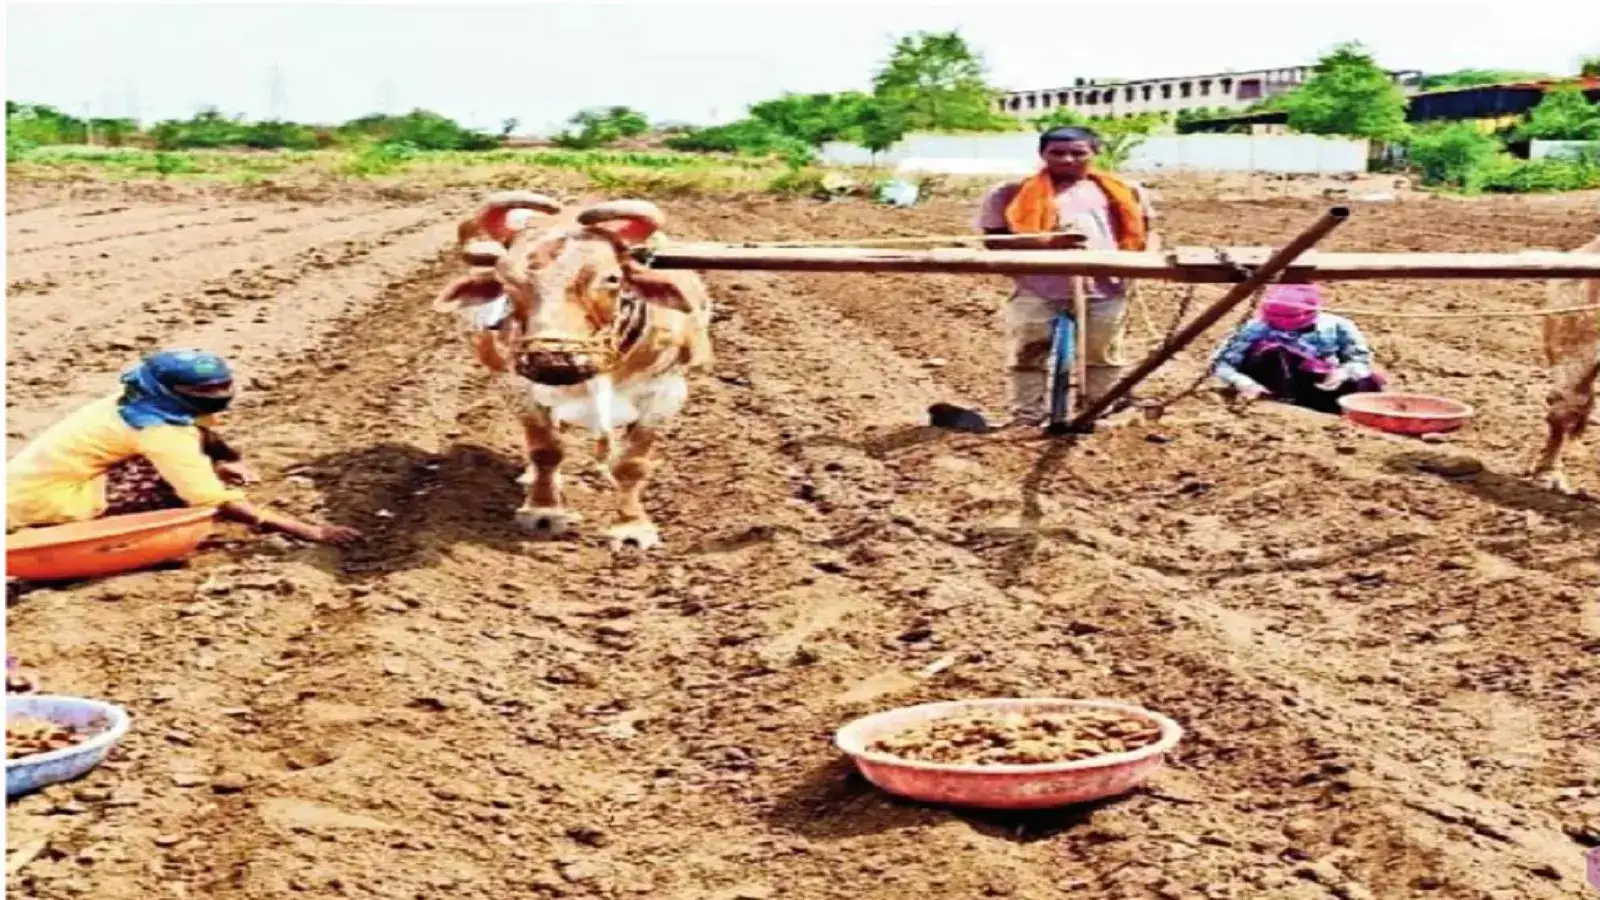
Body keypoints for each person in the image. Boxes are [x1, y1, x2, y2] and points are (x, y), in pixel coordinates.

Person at [6, 349, 362, 545]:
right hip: (44, 501)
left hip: (29, 483)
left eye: (221, 387)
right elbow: (208, 497)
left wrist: (226, 461)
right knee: (176, 483)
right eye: (205, 392)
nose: (217, 398)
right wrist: (306, 530)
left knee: (190, 460)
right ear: (170, 391)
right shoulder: (159, 430)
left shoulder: (138, 399)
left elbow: (200, 427)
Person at [974, 125, 1159, 426]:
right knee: (1028, 355)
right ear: (1042, 154)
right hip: (1038, 286)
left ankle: (1099, 412)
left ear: (1094, 153)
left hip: (1105, 286)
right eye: (1057, 153)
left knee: (1103, 355)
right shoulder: (1009, 193)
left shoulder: (1126, 192)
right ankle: (1027, 416)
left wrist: (1144, 262)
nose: (1067, 160)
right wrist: (1045, 242)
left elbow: (1147, 233)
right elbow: (993, 240)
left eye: (1078, 153)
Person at [1210, 283, 1387, 413]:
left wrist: (1343, 373)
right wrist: (1245, 383)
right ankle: (1283, 401)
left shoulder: (1338, 325)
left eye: (1290, 318)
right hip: (1269, 383)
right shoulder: (1254, 328)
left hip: (1318, 383)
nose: (1284, 324)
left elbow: (1360, 360)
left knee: (1369, 381)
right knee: (1275, 352)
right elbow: (1221, 364)